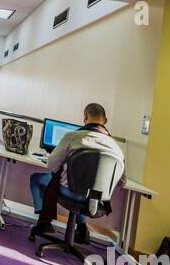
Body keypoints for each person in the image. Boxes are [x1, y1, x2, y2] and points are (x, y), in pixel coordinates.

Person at [28, 102, 125, 243]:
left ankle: (43, 223)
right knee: (86, 188)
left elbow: (52, 164)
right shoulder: (116, 148)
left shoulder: (73, 137)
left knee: (36, 179)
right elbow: (122, 182)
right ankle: (81, 228)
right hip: (96, 199)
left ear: (85, 117)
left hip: (68, 192)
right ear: (105, 121)